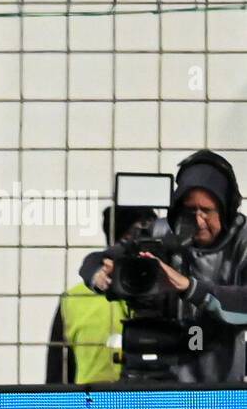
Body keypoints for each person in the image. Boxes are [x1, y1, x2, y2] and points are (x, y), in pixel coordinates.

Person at [82, 151, 247, 383]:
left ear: (227, 209)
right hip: (161, 371)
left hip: (220, 384)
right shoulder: (162, 232)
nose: (199, 221)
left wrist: (189, 287)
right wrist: (100, 275)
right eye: (191, 211)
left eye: (207, 211)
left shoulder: (243, 241)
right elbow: (96, 261)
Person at [45, 206, 150, 385]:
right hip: (154, 403)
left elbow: (56, 380)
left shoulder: (75, 299)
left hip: (92, 404)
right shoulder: (74, 299)